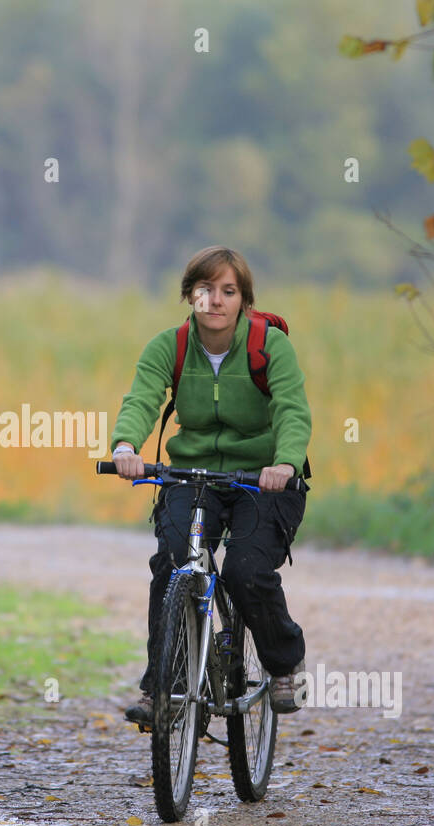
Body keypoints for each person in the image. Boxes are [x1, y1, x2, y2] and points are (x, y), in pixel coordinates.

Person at [109, 245, 312, 725]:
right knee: (173, 560)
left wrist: (284, 463)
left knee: (245, 571)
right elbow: (141, 399)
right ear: (189, 296)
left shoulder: (269, 346)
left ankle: (284, 663)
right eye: (205, 290)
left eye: (228, 291)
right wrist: (124, 447)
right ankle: (166, 684)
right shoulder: (170, 346)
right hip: (192, 476)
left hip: (263, 482)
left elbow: (291, 409)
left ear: (244, 299)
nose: (216, 301)